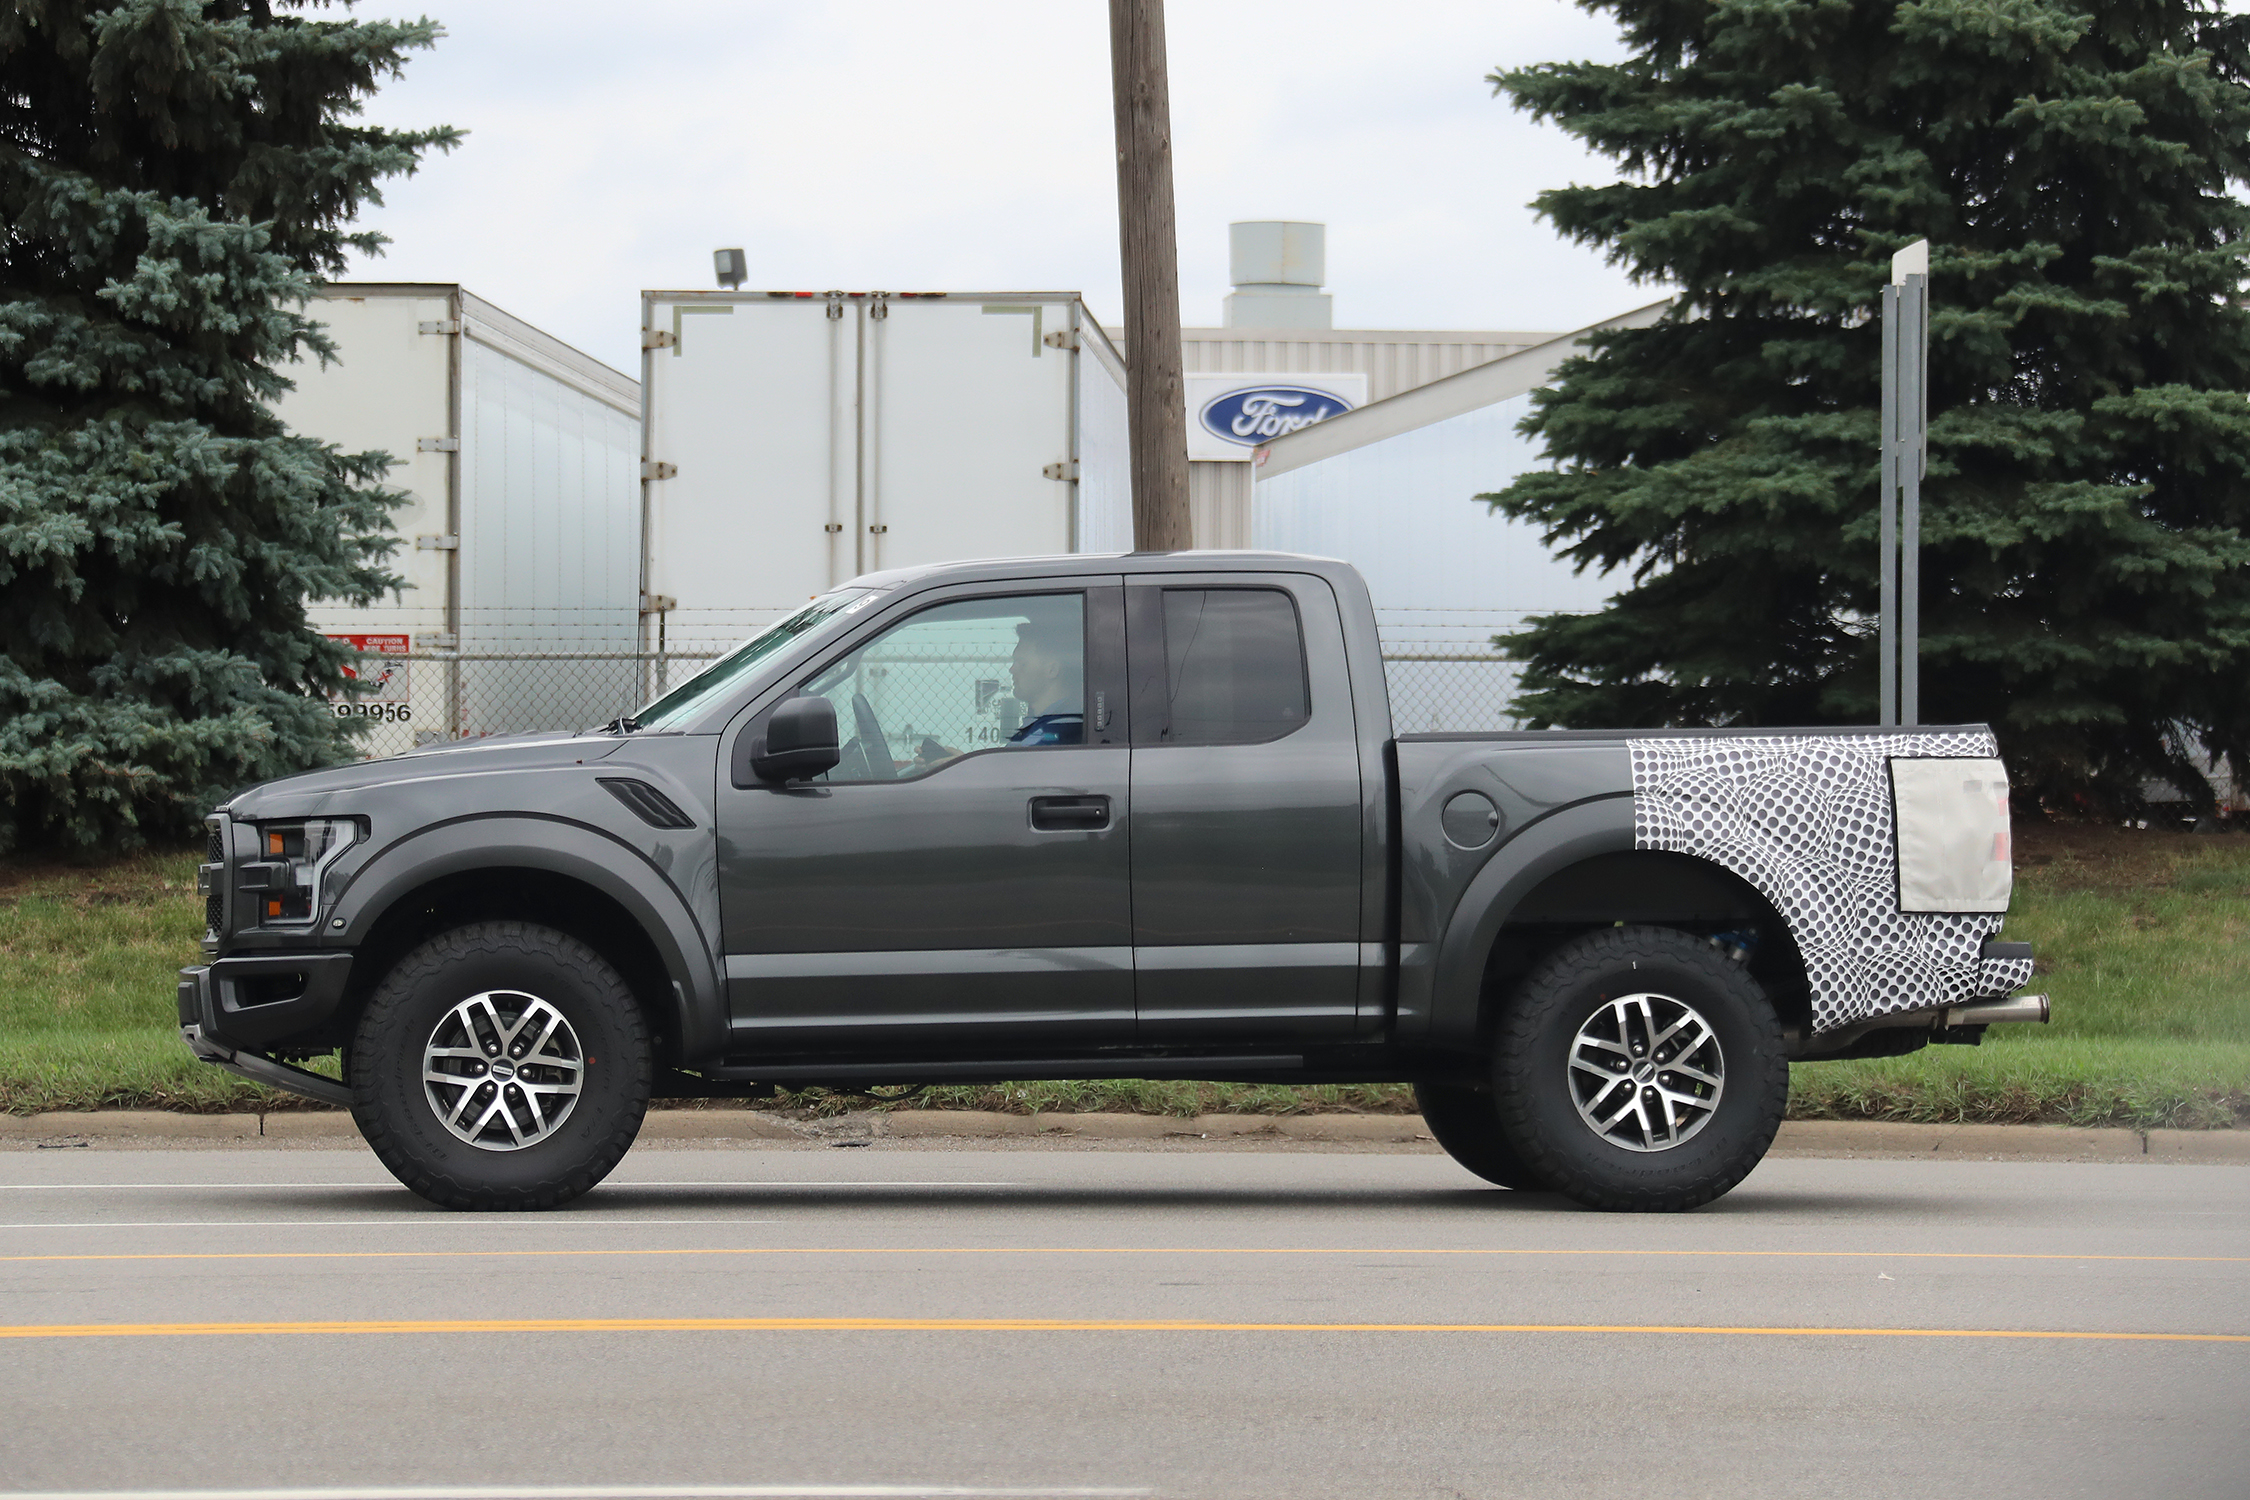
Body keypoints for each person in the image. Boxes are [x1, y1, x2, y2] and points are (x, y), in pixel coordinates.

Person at [912, 617, 1082, 770]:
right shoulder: (1044, 726)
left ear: (1052, 670)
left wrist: (963, 770)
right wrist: (961, 762)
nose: (1012, 669)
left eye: (1021, 663)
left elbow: (1013, 779)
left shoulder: (1058, 732)